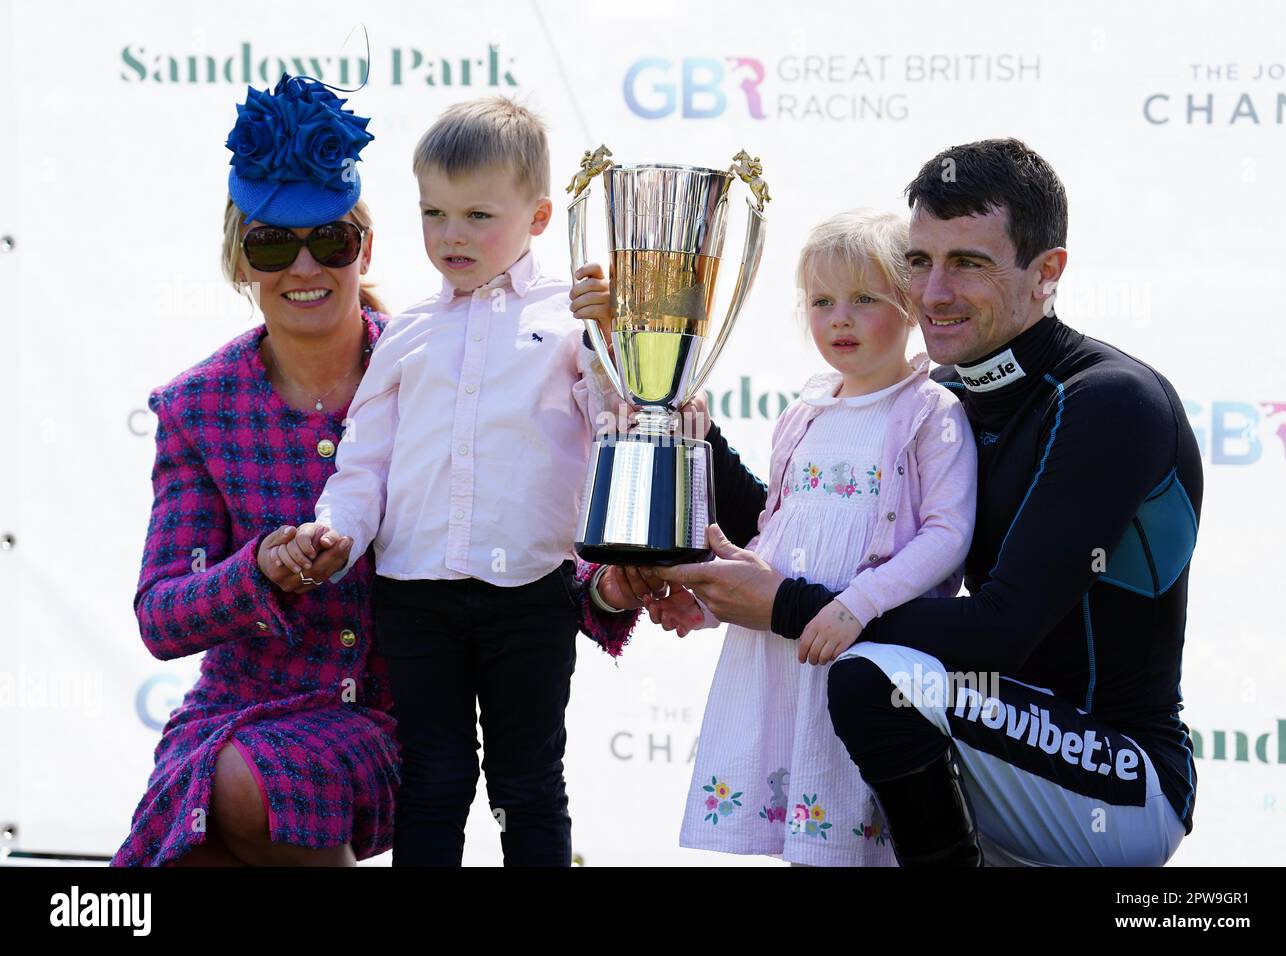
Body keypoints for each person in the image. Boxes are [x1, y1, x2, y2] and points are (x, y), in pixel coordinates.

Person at [112, 78, 638, 868]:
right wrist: (257, 569)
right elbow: (160, 618)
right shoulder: (199, 407)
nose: (302, 266)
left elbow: (543, 493)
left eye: (328, 241)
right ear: (239, 259)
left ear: (364, 246)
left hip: (396, 721)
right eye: (269, 244)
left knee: (252, 789)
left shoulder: (452, 356)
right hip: (236, 714)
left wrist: (616, 578)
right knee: (198, 836)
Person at [654, 139, 1201, 867]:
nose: (933, 292)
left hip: (1121, 779)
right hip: (989, 737)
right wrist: (684, 428)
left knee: (877, 680)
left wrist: (787, 605)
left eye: (968, 263)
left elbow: (1001, 631)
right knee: (875, 676)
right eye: (919, 262)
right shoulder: (943, 393)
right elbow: (797, 522)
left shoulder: (1108, 400)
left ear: (1047, 273)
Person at [278, 96, 638, 867]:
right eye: (434, 213)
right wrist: (338, 526)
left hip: (532, 595)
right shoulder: (407, 329)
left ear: (539, 218)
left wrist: (615, 339)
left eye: (478, 214)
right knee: (434, 779)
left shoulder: (574, 321)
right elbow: (366, 459)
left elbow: (621, 425)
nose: (452, 235)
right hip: (415, 595)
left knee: (530, 781)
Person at [572, 211, 976, 865]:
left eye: (864, 300)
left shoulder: (931, 411)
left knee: (864, 846)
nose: (838, 318)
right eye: (821, 301)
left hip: (865, 664)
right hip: (786, 666)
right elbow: (774, 546)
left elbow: (947, 537)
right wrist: (708, 603)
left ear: (909, 306)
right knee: (807, 849)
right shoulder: (802, 415)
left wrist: (854, 607)